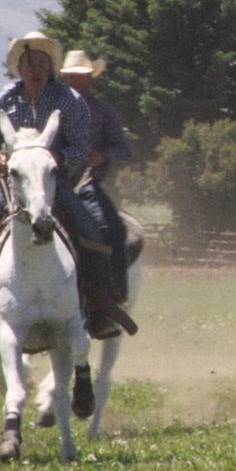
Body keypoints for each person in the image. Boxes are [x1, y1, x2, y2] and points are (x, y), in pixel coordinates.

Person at [0, 31, 123, 341]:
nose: (35, 69)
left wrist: (58, 156)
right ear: (19, 68)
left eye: (41, 63)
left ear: (50, 67)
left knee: (91, 233)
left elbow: (81, 146)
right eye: (29, 63)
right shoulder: (3, 100)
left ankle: (98, 309)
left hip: (55, 183)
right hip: (12, 185)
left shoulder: (70, 101)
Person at [59, 49, 133, 306]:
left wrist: (103, 156)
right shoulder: (49, 108)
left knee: (114, 230)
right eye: (72, 76)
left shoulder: (104, 111)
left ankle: (114, 295)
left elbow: (123, 149)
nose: (76, 81)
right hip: (49, 181)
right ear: (65, 77)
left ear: (90, 79)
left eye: (82, 76)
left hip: (87, 185)